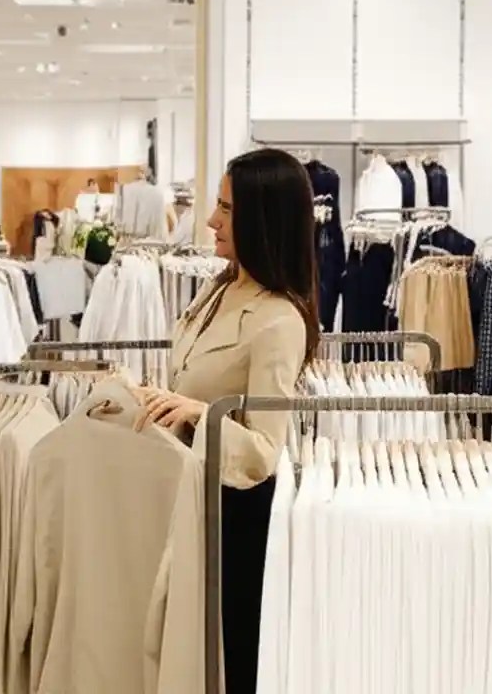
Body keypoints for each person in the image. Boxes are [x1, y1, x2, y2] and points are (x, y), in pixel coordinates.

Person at [133, 148, 319, 692]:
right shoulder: (216, 290)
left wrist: (199, 416)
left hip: (234, 523)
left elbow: (265, 449)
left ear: (261, 218)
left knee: (228, 660)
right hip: (193, 502)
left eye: (225, 208)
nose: (211, 220)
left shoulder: (279, 319)